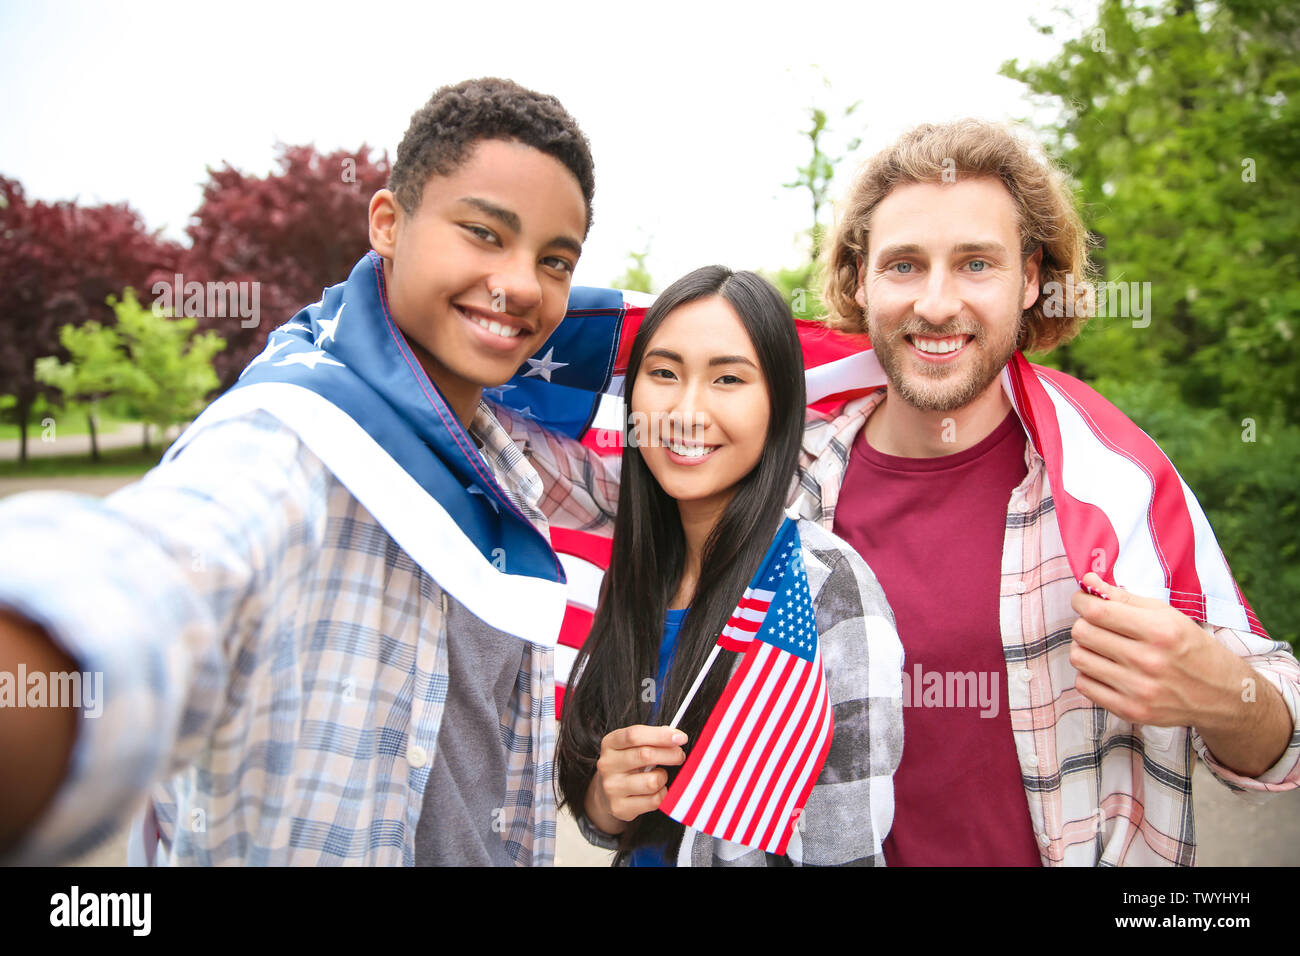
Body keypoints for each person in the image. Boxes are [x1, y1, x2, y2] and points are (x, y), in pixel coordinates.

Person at [496, 119, 1300, 866]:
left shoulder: (1108, 489)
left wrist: (1222, 693)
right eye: (905, 264)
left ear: (1031, 280)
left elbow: (1283, 740)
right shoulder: (777, 469)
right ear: (860, 279)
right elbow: (558, 476)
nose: (937, 301)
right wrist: (440, 329)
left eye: (976, 264)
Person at [0, 77, 595, 865]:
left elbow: (682, 470)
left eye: (555, 260)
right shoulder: (291, 433)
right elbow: (153, 575)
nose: (523, 284)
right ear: (387, 222)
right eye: (485, 233)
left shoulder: (507, 449)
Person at [551, 266, 904, 866]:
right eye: (664, 373)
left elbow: (844, 849)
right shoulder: (638, 574)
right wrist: (608, 803)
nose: (687, 410)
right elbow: (614, 823)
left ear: (779, 406)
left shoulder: (825, 584)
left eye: (728, 379)